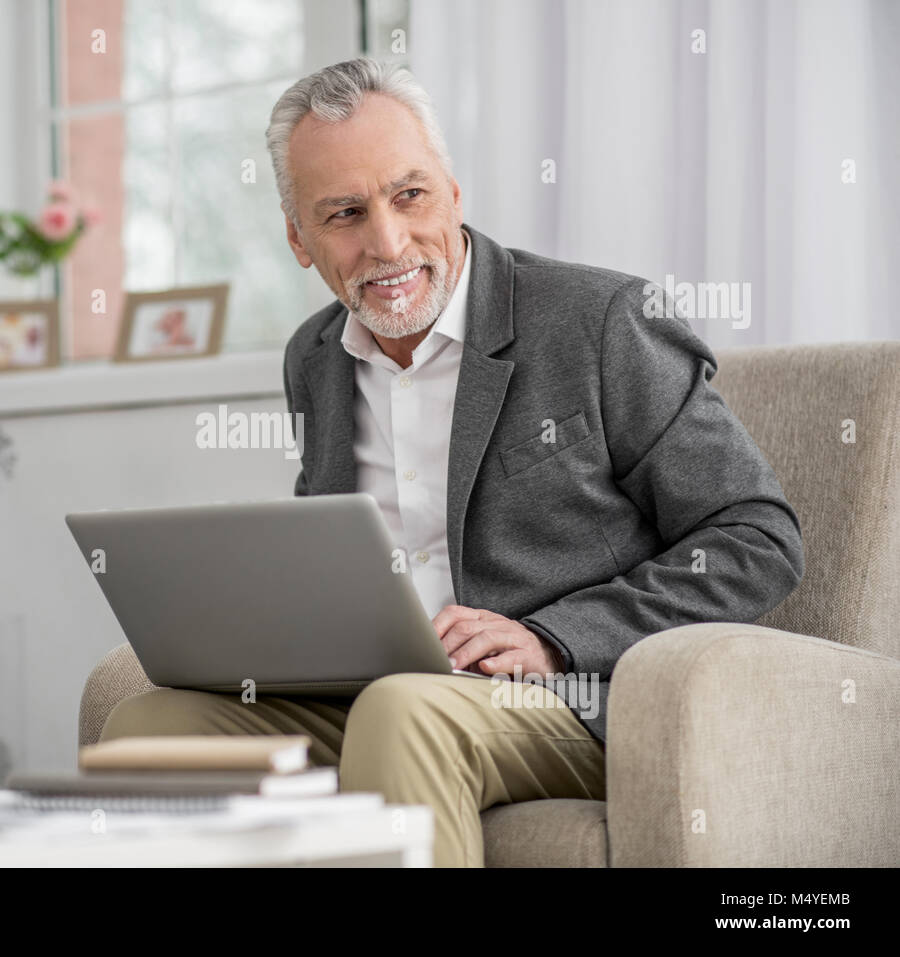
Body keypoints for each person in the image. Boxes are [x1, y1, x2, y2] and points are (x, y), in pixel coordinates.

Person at [100, 58, 804, 867]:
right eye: (344, 213)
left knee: (405, 712)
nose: (387, 241)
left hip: (572, 695)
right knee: (147, 729)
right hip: (374, 693)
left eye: (410, 196)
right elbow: (334, 554)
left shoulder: (599, 321)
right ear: (298, 238)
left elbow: (758, 537)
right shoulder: (315, 360)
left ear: (454, 191)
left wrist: (553, 637)